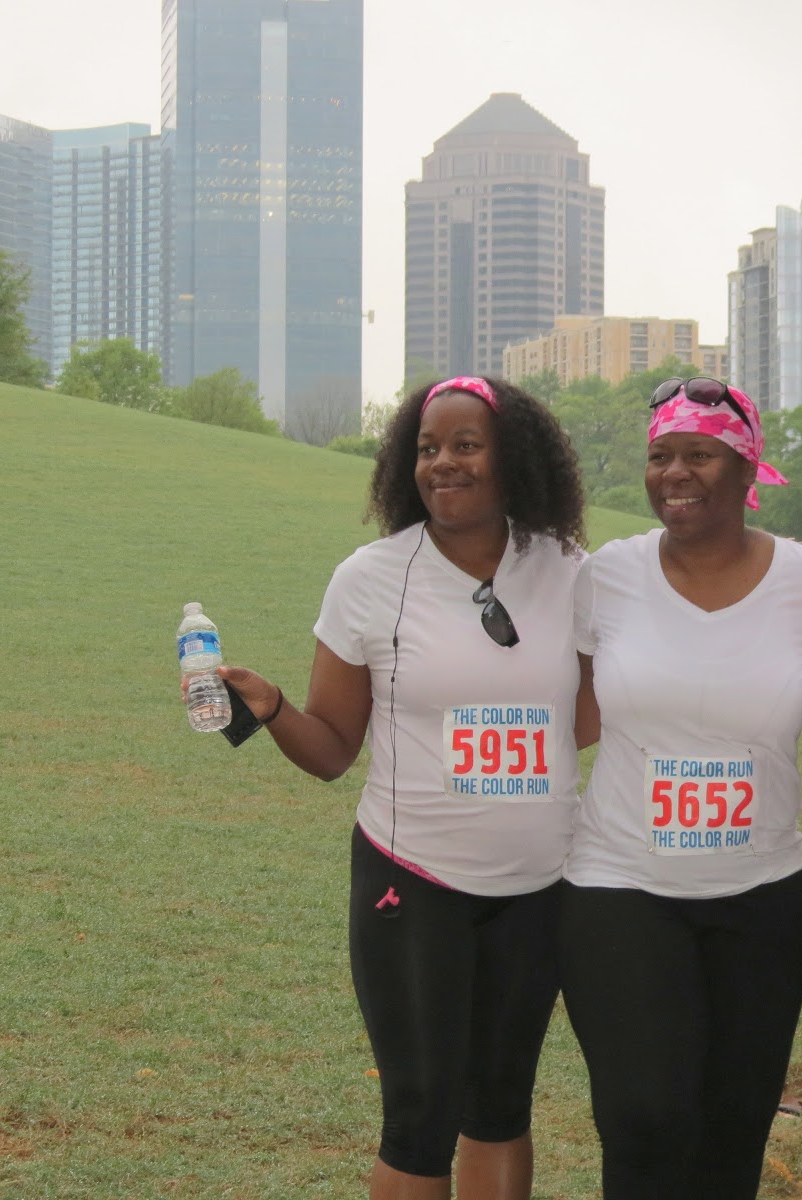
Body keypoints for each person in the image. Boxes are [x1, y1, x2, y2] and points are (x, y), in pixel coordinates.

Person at [215, 376, 588, 1200]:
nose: (442, 463)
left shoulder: (568, 571)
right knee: (418, 1117)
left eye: (465, 445)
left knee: (501, 1109)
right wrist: (272, 707)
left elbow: (588, 718)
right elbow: (332, 749)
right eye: (425, 447)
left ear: (513, 458)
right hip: (412, 884)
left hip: (540, 889)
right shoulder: (372, 577)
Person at [560, 376, 802, 1198]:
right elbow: (575, 710)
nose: (674, 473)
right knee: (643, 1116)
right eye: (660, 456)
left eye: (698, 455)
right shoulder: (606, 576)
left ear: (746, 467)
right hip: (621, 885)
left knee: (733, 1129)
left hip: (764, 897)